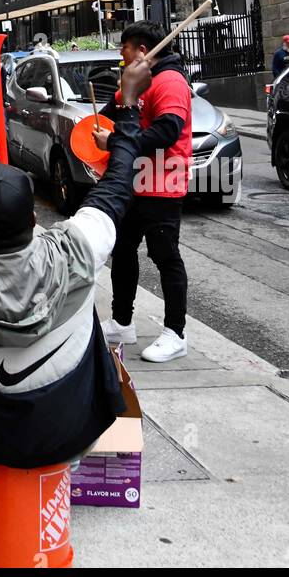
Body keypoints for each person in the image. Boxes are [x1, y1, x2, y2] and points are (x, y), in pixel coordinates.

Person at [0, 56, 152, 517]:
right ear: (33, 216)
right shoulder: (78, 246)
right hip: (76, 435)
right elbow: (118, 182)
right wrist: (126, 103)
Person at [98, 21, 192, 363]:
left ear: (140, 50)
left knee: (165, 255)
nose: (120, 57)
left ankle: (175, 333)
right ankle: (122, 322)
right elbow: (111, 116)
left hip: (162, 181)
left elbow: (168, 131)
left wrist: (117, 141)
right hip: (133, 180)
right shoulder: (133, 81)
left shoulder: (169, 81)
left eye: (123, 49)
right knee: (122, 250)